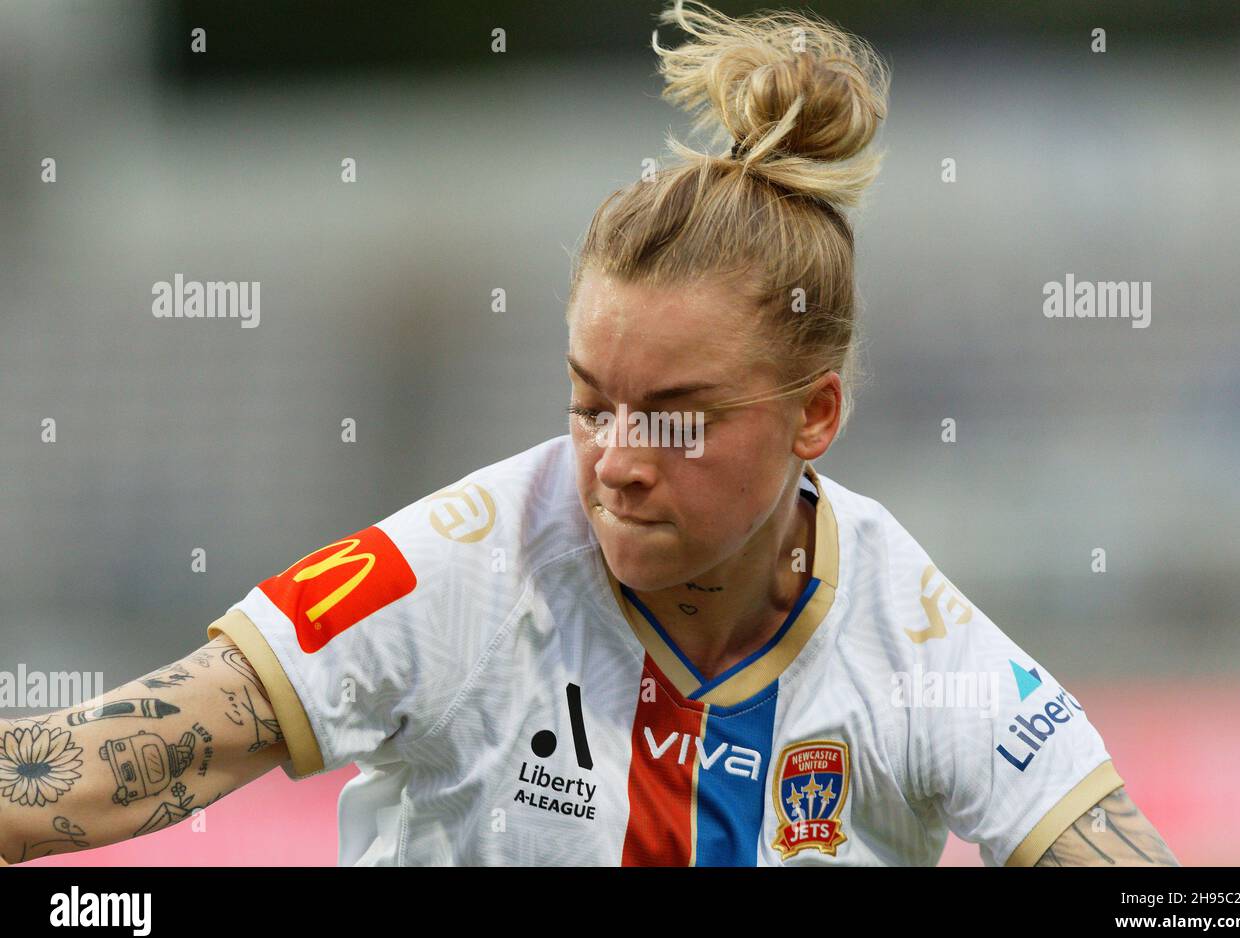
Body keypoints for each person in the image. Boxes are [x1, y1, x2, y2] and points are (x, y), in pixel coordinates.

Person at [0, 0, 1177, 867]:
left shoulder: (918, 646)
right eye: (589, 400)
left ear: (813, 413)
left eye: (675, 417)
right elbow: (99, 765)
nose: (614, 458)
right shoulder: (450, 571)